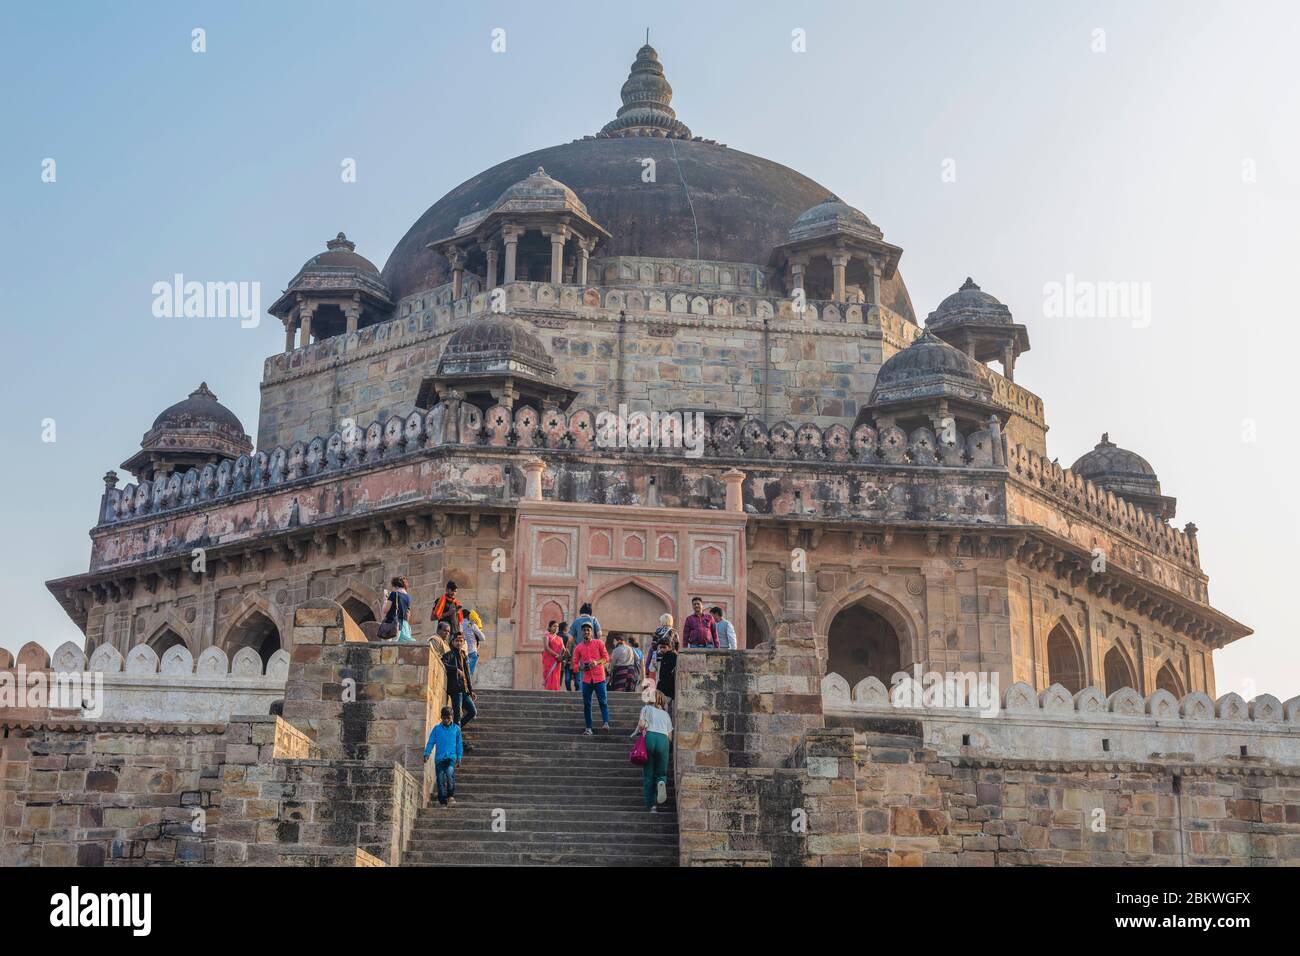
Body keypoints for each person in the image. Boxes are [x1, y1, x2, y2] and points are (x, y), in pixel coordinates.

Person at [635, 691, 673, 812]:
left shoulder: (646, 709)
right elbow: (670, 737)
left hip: (650, 738)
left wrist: (642, 727)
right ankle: (661, 781)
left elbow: (641, 725)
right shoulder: (666, 715)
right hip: (663, 740)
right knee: (661, 772)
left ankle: (652, 806)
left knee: (649, 774)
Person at [570, 623, 610, 735]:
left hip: (599, 678)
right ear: (581, 632)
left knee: (603, 701)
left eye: (588, 630)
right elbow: (574, 665)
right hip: (587, 680)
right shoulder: (578, 647)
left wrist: (596, 662)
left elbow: (606, 658)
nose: (586, 632)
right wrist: (581, 667)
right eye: (584, 630)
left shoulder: (599, 643)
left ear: (591, 632)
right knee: (587, 704)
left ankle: (606, 723)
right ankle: (588, 728)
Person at [441, 630, 477, 750]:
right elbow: (443, 663)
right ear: (453, 642)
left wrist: (471, 691)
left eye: (461, 641)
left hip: (464, 690)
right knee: (457, 716)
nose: (459, 642)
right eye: (457, 640)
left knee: (472, 712)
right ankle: (458, 743)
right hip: (455, 690)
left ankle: (453, 731)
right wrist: (455, 669)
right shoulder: (450, 654)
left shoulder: (464, 655)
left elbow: (467, 674)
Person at [423, 705, 463, 808]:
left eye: (448, 718)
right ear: (441, 717)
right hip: (439, 759)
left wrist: (459, 757)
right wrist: (427, 753)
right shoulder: (437, 729)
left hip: (451, 758)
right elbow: (431, 742)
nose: (446, 720)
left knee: (449, 774)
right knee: (440, 780)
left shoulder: (456, 729)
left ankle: (450, 795)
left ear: (452, 717)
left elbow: (459, 744)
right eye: (444, 718)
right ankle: (442, 802)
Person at [379, 576, 412, 643]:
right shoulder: (408, 598)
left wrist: (385, 600)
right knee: (393, 646)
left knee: (385, 646)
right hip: (398, 627)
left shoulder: (394, 594)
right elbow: (407, 614)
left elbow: (385, 610)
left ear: (396, 585)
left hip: (389, 624)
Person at [542, 619, 566, 691]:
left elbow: (563, 649)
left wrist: (562, 657)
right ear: (549, 627)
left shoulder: (560, 638)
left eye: (557, 626)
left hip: (557, 661)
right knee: (549, 676)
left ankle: (555, 692)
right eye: (554, 626)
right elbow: (546, 648)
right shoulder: (546, 636)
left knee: (556, 677)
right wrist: (557, 655)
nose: (556, 628)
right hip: (549, 660)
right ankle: (548, 693)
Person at [654, 637, 678, 708]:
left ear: (670, 647)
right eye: (660, 647)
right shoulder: (663, 656)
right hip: (663, 689)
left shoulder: (672, 656)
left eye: (664, 647)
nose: (662, 649)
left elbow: (669, 674)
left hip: (667, 690)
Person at [462, 609, 486, 673]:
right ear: (469, 616)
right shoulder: (472, 625)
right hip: (472, 651)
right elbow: (483, 638)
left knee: (462, 673)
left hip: (461, 651)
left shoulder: (459, 624)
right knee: (469, 673)